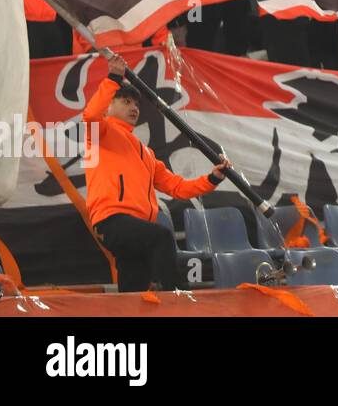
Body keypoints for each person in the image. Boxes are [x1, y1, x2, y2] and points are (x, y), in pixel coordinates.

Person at [84, 54, 232, 292]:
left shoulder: (146, 153)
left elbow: (177, 187)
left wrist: (212, 178)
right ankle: (177, 299)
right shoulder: (99, 134)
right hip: (112, 220)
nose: (133, 107)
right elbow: (90, 115)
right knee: (162, 237)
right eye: (125, 101)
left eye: (136, 104)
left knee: (134, 293)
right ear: (108, 107)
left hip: (135, 226)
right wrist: (113, 77)